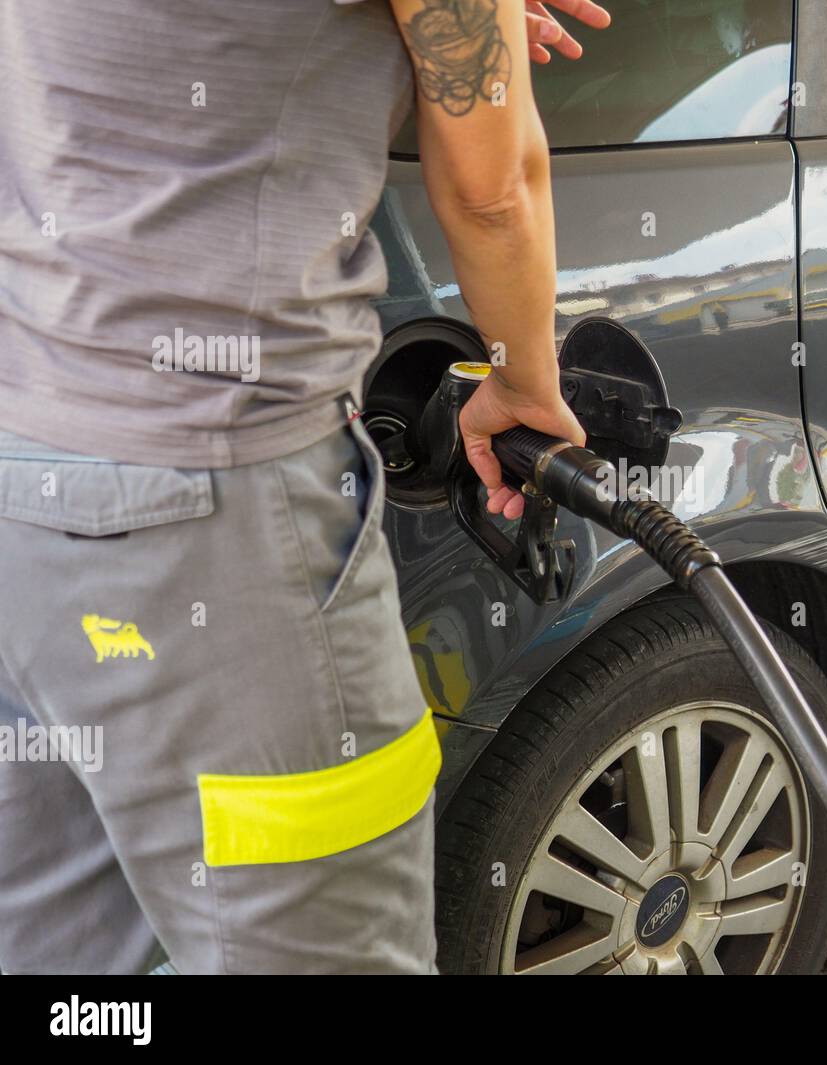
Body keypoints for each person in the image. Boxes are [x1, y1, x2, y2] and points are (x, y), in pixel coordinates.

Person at [0, 0, 607, 974]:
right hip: (216, 505)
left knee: (70, 959)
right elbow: (494, 187)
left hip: (26, 469)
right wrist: (525, 383)